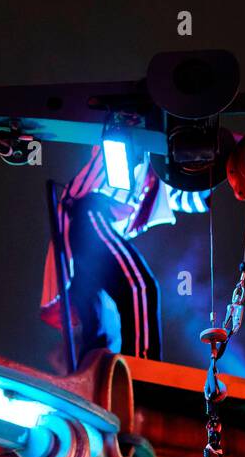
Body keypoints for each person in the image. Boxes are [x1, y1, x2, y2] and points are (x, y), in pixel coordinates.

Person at [41, 143, 208, 362]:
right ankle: (143, 372)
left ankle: (95, 384)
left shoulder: (157, 173)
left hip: (84, 231)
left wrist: (219, 169)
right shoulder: (132, 146)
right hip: (87, 216)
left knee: (102, 331)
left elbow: (185, 195)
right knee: (139, 286)